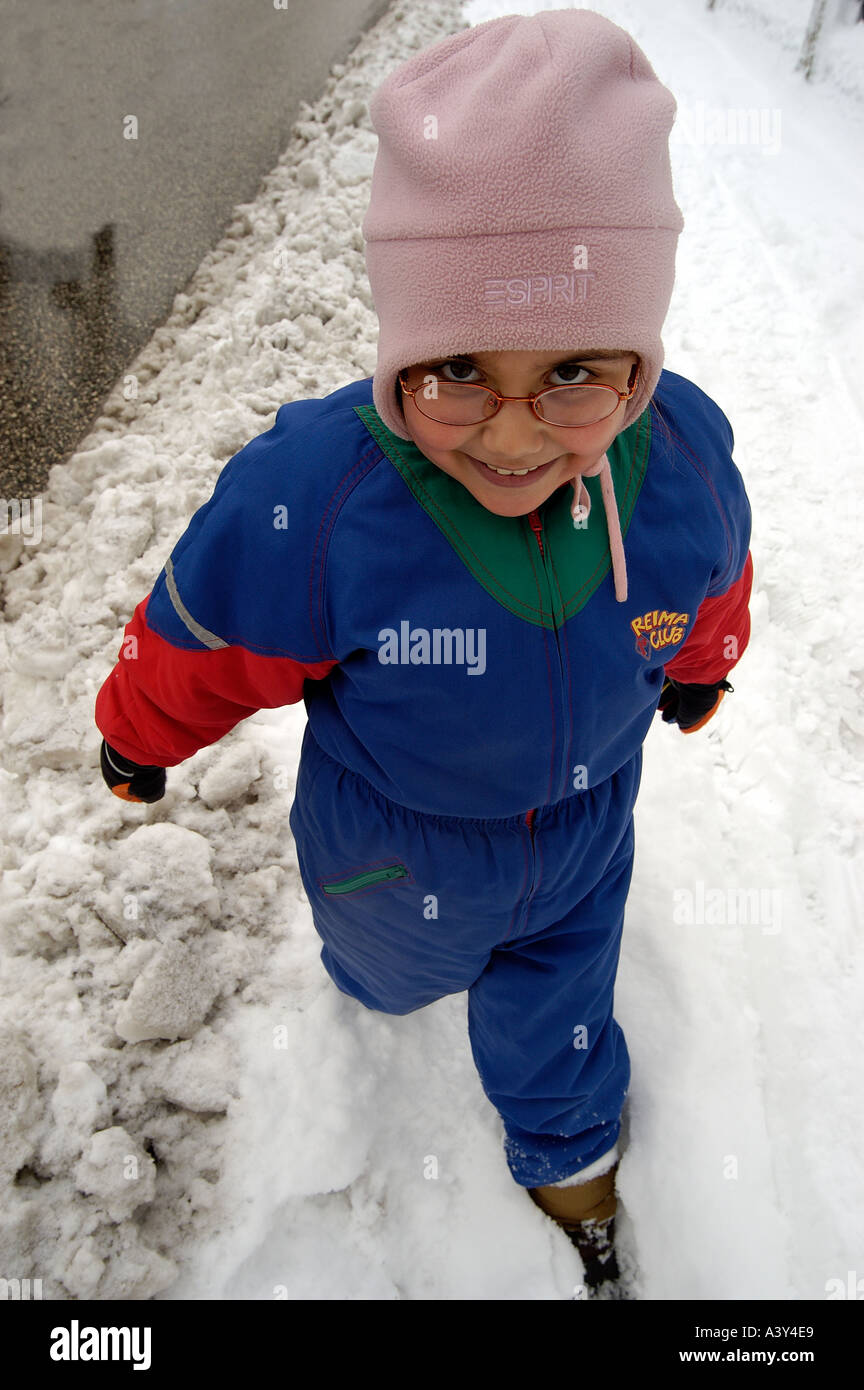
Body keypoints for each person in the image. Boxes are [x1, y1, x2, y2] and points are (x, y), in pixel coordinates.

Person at [95, 9, 753, 1294]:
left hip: (582, 833)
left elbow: (714, 578)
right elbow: (206, 628)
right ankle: (378, 989)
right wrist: (139, 727)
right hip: (389, 843)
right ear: (398, 338)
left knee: (561, 1014)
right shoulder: (319, 497)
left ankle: (570, 1158)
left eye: (576, 370)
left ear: (643, 359)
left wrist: (701, 666)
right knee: (390, 972)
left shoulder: (679, 459)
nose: (513, 434)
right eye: (457, 368)